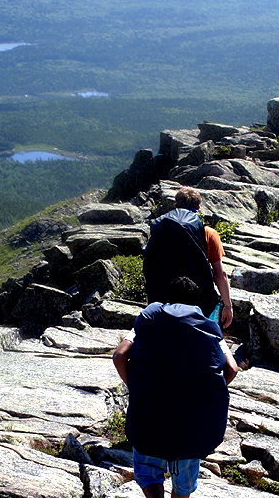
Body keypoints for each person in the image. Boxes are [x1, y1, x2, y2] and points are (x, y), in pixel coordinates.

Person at [113, 277, 238, 498]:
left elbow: (120, 355)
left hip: (149, 415)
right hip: (192, 422)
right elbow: (232, 368)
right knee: (183, 485)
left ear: (168, 298)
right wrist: (206, 392)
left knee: (149, 474)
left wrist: (137, 387)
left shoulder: (150, 318)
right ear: (195, 301)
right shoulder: (209, 326)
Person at [143, 186, 233, 328]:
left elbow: (150, 264)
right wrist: (228, 305)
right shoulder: (207, 233)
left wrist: (151, 297)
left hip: (164, 299)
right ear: (198, 207)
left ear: (175, 206)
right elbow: (220, 274)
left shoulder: (162, 229)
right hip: (199, 300)